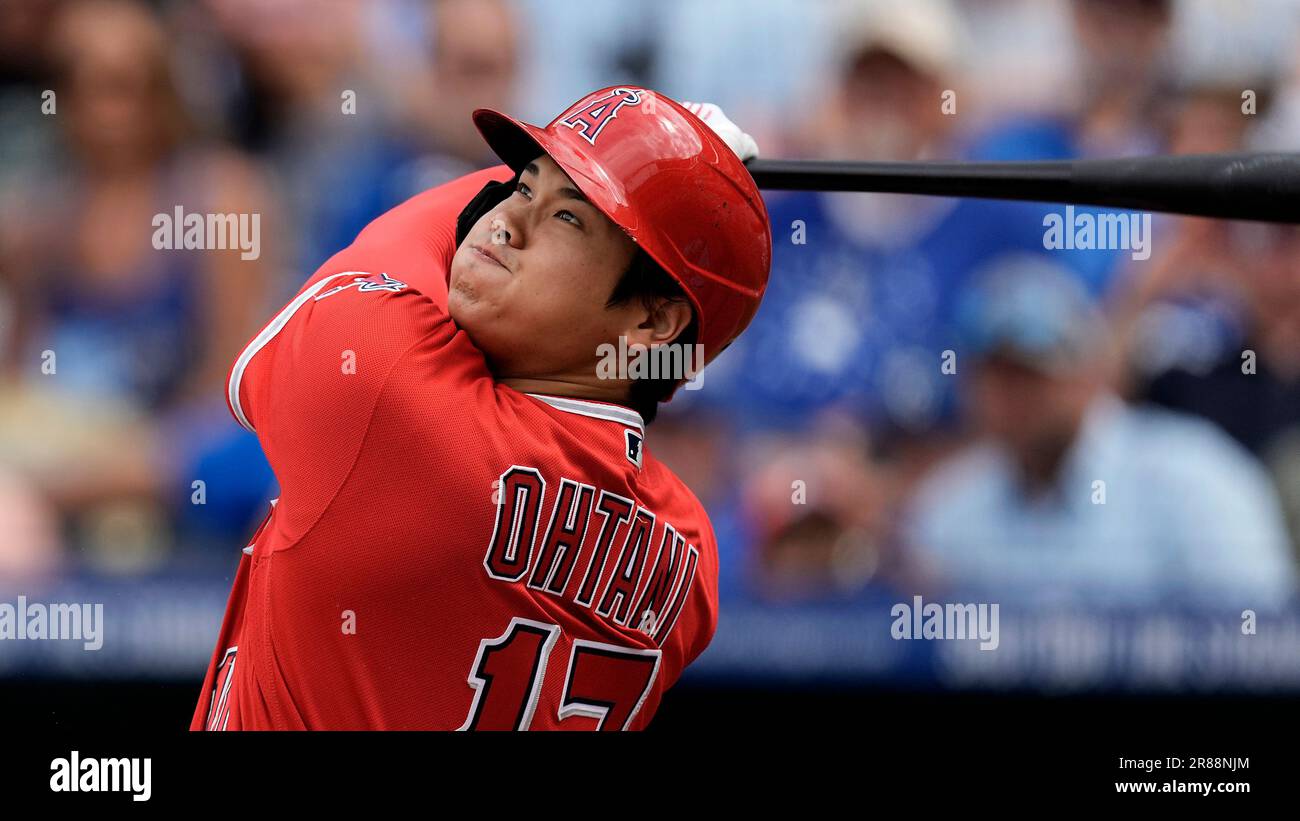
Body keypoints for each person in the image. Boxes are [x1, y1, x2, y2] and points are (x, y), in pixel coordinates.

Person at [192, 87, 770, 730]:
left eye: (567, 217)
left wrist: (661, 154)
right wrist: (669, 173)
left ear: (654, 318)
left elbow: (411, 234)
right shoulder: (690, 556)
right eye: (523, 188)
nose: (503, 220)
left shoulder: (386, 393)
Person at [902, 257, 1296, 609]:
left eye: (1033, 373)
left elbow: (1261, 646)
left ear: (1089, 372)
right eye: (994, 376)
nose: (1012, 397)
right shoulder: (949, 508)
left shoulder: (1195, 478)